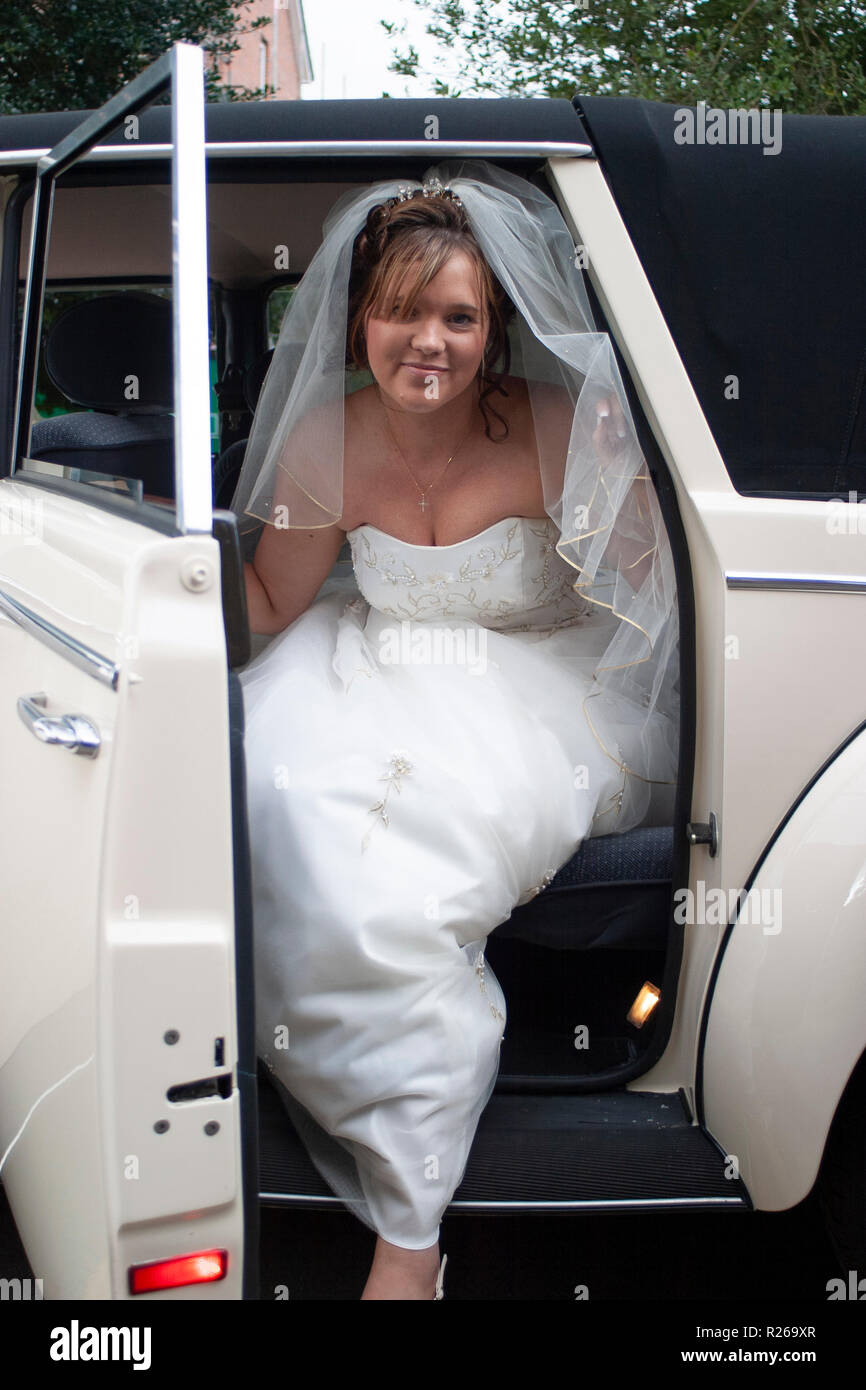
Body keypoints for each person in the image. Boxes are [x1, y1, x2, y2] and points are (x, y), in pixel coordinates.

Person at [231, 162, 679, 1299]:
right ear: (359, 316)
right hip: (373, 665)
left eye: (458, 315)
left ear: (492, 328)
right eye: (400, 309)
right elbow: (275, 603)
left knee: (403, 876)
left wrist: (618, 492)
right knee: (282, 805)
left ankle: (407, 1233)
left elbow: (651, 589)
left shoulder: (553, 425)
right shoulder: (321, 444)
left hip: (544, 680)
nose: (425, 340)